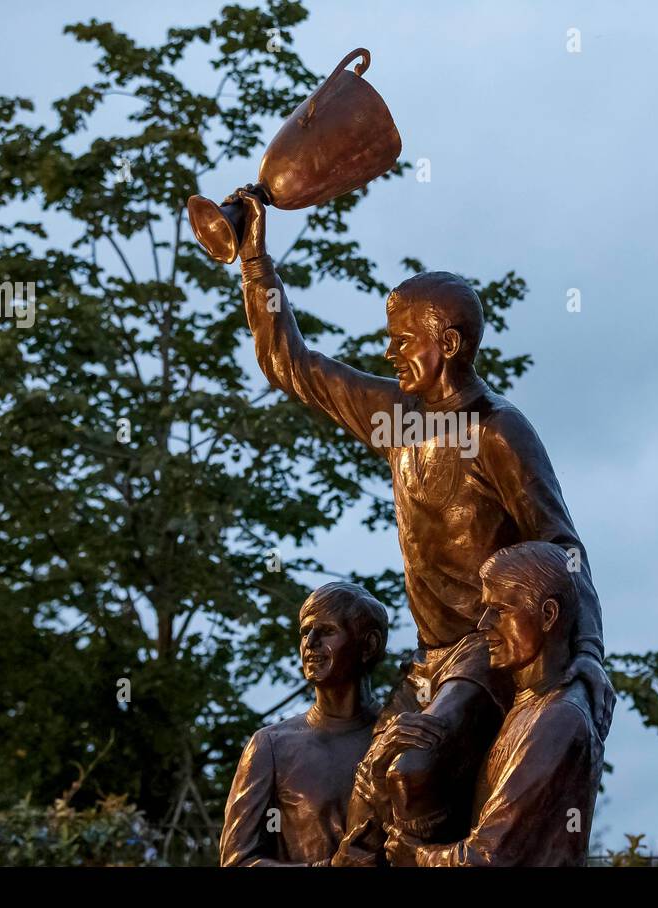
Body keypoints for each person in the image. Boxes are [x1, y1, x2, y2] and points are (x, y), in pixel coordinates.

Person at [228, 187, 613, 860]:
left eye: (404, 340)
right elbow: (292, 365)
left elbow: (562, 548)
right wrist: (254, 259)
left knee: (414, 775)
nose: (389, 353)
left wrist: (587, 659)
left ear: (451, 343)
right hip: (428, 661)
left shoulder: (497, 432)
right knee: (363, 814)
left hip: (487, 652)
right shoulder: (397, 418)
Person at [384, 542, 604, 866]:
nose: (484, 624)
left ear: (548, 614)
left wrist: (416, 857)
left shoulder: (558, 719)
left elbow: (488, 856)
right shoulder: (526, 707)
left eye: (500, 610)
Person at [219, 582, 387, 866]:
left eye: (327, 631)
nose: (310, 643)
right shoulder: (271, 747)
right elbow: (237, 861)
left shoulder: (397, 735)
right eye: (305, 632)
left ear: (369, 645)